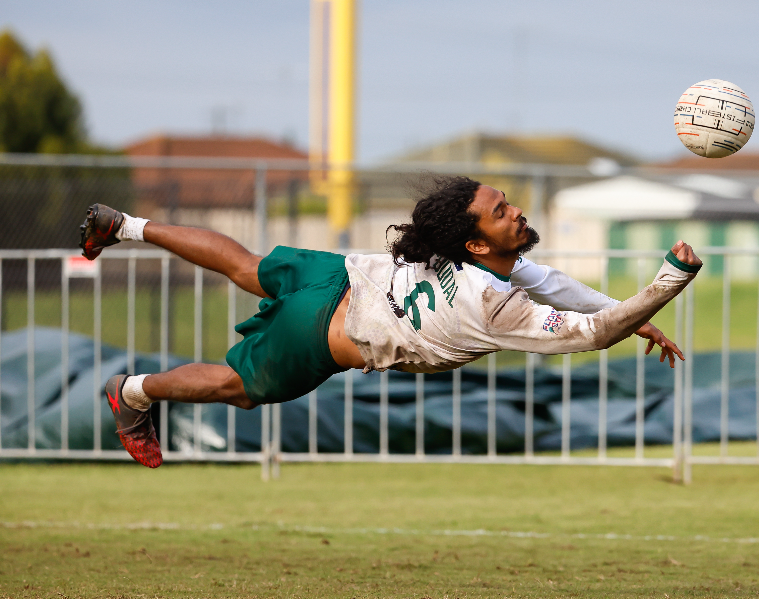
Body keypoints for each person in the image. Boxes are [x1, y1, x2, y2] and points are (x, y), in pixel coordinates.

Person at [79, 175, 702, 468]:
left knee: (245, 264)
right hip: (323, 336)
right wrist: (665, 284)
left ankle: (126, 226)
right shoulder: (490, 303)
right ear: (476, 246)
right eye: (500, 210)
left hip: (338, 273)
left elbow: (557, 286)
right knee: (236, 389)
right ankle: (134, 392)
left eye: (506, 202)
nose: (516, 212)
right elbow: (593, 336)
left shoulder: (477, 265)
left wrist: (629, 316)